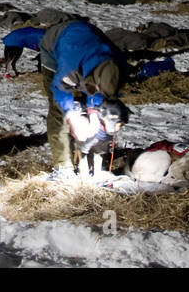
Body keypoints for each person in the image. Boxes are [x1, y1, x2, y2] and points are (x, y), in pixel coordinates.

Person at [37, 19, 128, 176]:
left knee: (98, 112)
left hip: (88, 45)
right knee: (59, 113)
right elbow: (59, 90)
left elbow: (104, 95)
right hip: (55, 45)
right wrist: (73, 118)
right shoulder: (69, 66)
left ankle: (93, 159)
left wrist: (94, 111)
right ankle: (63, 165)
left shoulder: (120, 65)